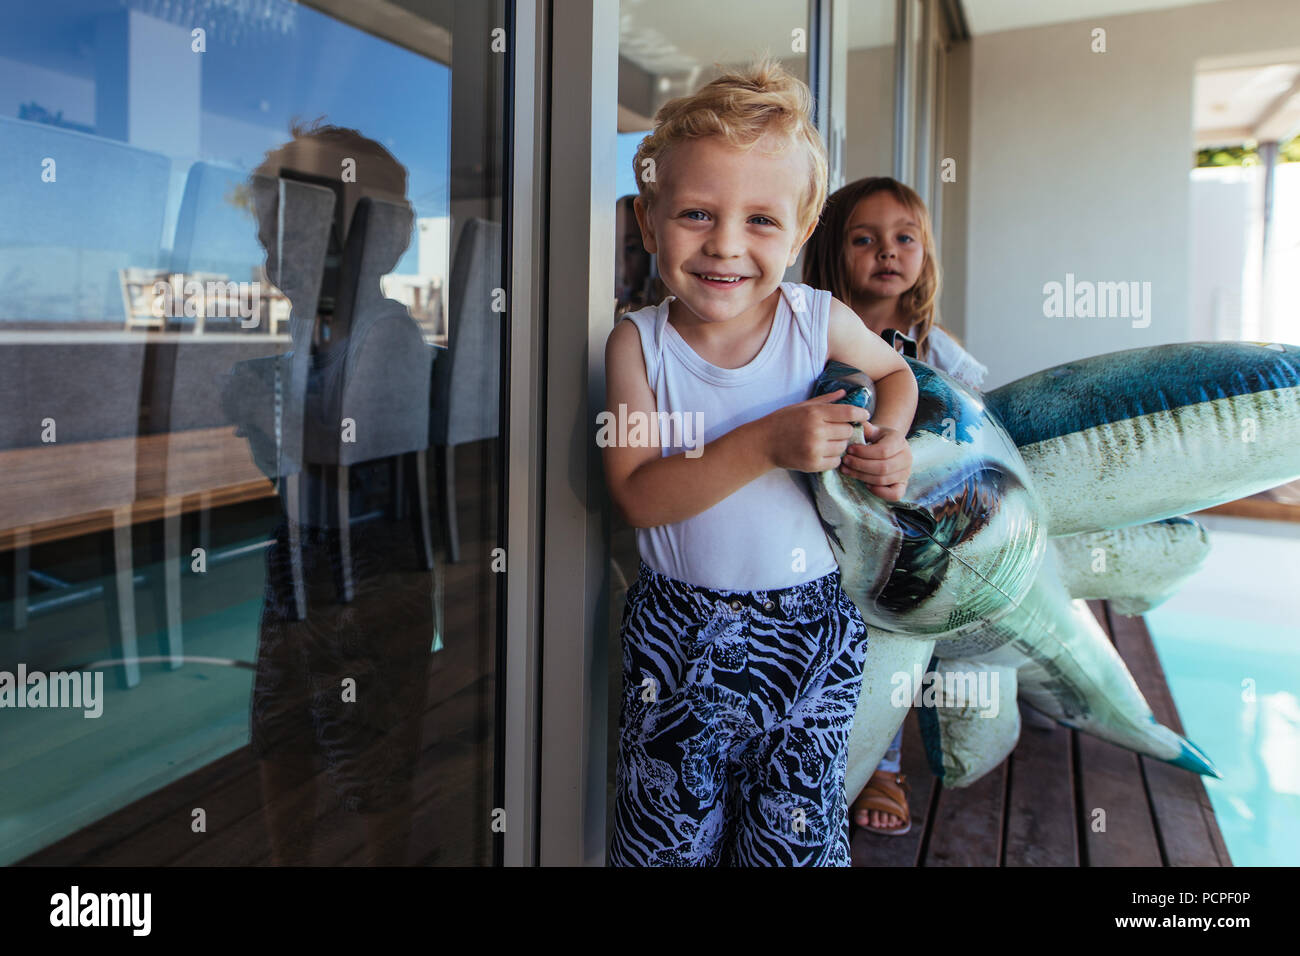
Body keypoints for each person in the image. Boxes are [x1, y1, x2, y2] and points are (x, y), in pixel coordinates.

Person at [602, 60, 919, 866]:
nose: (726, 246)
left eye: (762, 222)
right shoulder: (639, 343)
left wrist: (891, 438)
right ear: (650, 221)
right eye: (697, 214)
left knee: (795, 843)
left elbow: (895, 374)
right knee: (667, 842)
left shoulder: (815, 319)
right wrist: (767, 442)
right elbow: (637, 494)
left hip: (808, 631)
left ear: (803, 231)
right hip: (679, 640)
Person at [803, 175, 988, 838]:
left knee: (897, 648)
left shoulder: (937, 349)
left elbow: (980, 426)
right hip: (825, 529)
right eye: (864, 239)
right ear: (831, 252)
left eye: (904, 237)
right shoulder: (812, 335)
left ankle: (884, 763)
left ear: (924, 253)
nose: (887, 250)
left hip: (910, 534)